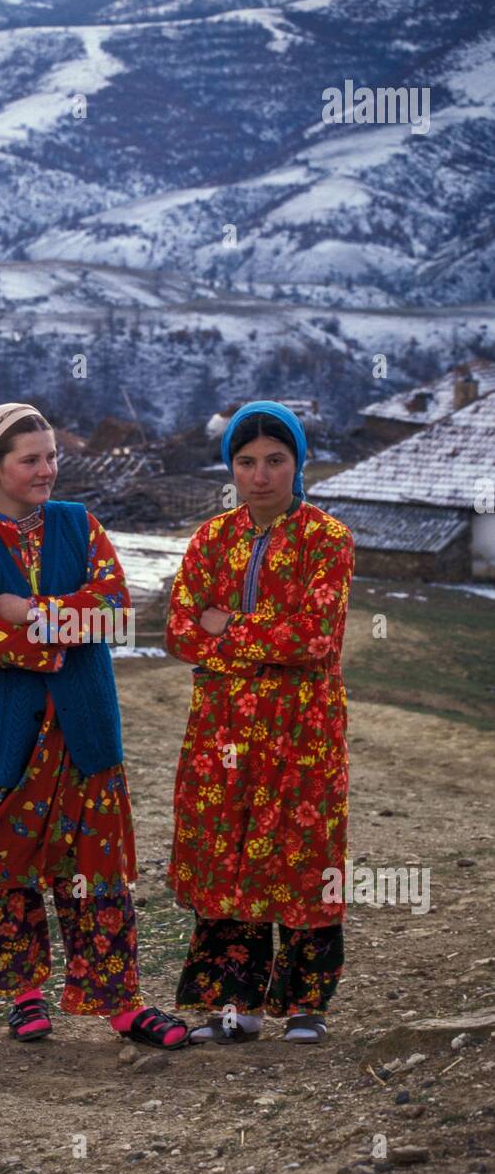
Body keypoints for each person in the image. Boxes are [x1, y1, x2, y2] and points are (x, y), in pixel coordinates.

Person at [0, 401, 189, 1048]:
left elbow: (117, 615)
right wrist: (63, 631)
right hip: (1, 739)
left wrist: (29, 610)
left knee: (97, 874)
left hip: (84, 733)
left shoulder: (81, 525)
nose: (48, 469)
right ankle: (24, 997)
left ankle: (121, 1004)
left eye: (51, 456)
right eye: (31, 459)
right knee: (7, 869)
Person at [164, 401, 355, 1045]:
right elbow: (181, 632)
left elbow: (315, 637)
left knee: (302, 853)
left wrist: (230, 628)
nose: (261, 475)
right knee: (228, 853)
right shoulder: (210, 540)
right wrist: (257, 637)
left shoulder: (327, 539)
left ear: (297, 464)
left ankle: (306, 1004)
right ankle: (232, 1004)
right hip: (222, 733)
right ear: (232, 468)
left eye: (276, 460)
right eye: (246, 462)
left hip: (303, 732)